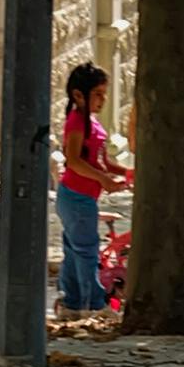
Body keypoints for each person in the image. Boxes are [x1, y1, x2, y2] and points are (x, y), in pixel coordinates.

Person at [56, 58, 127, 314]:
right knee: (86, 251)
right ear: (79, 95)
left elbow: (102, 160)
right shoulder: (76, 122)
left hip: (84, 197)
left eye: (104, 94)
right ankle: (95, 303)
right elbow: (74, 160)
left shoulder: (93, 123)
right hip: (75, 197)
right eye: (97, 94)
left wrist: (125, 173)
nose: (102, 100)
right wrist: (103, 180)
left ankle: (73, 303)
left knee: (75, 250)